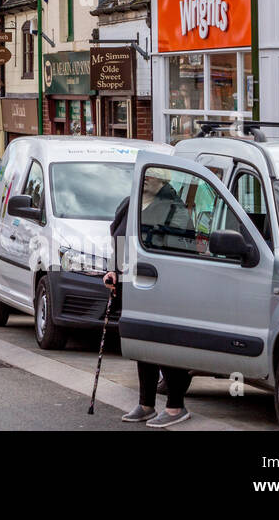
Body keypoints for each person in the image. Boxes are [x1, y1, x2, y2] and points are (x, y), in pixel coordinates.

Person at [103, 173, 193, 428]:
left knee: (167, 344)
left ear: (164, 181)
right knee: (142, 343)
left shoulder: (174, 209)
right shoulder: (129, 203)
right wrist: (113, 270)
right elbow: (118, 241)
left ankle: (176, 407)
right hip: (134, 284)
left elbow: (180, 249)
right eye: (145, 175)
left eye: (153, 177)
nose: (146, 180)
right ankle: (146, 405)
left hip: (163, 286)